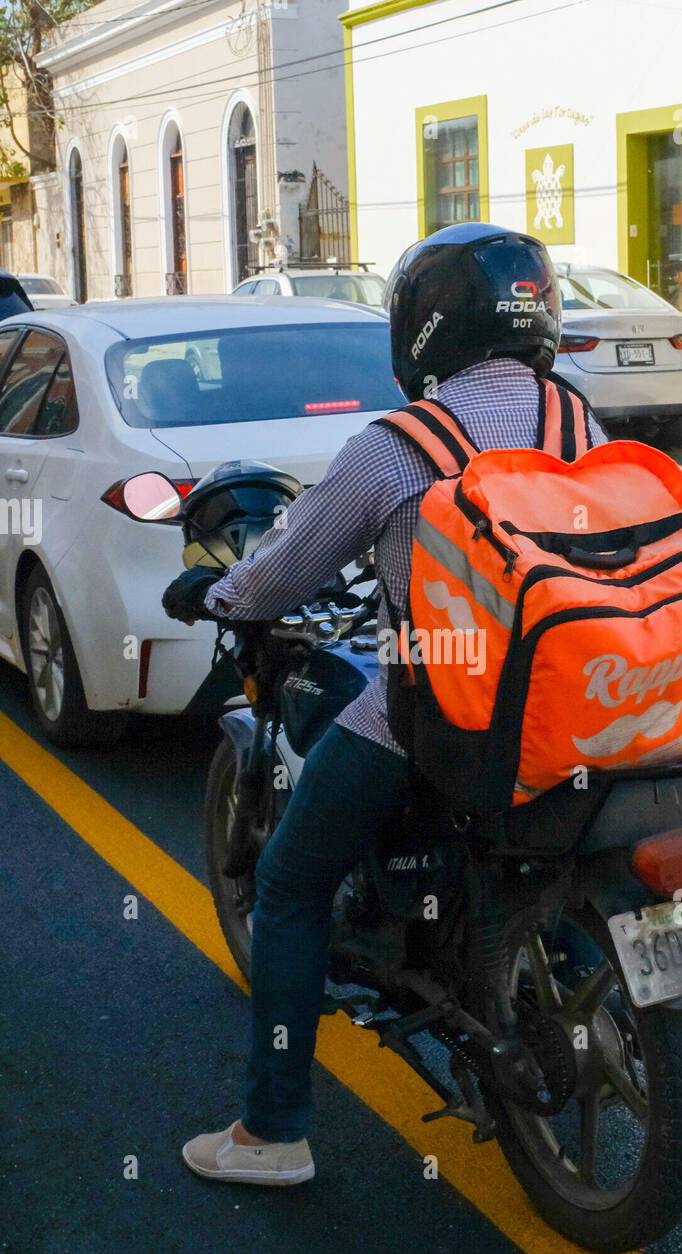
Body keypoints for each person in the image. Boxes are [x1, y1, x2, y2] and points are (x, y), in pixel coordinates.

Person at [162, 223, 607, 1186]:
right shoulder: (583, 426)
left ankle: (271, 1134)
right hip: (588, 713)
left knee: (285, 886)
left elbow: (285, 569)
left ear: (423, 329)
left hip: (441, 724)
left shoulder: (398, 447)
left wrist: (222, 595)